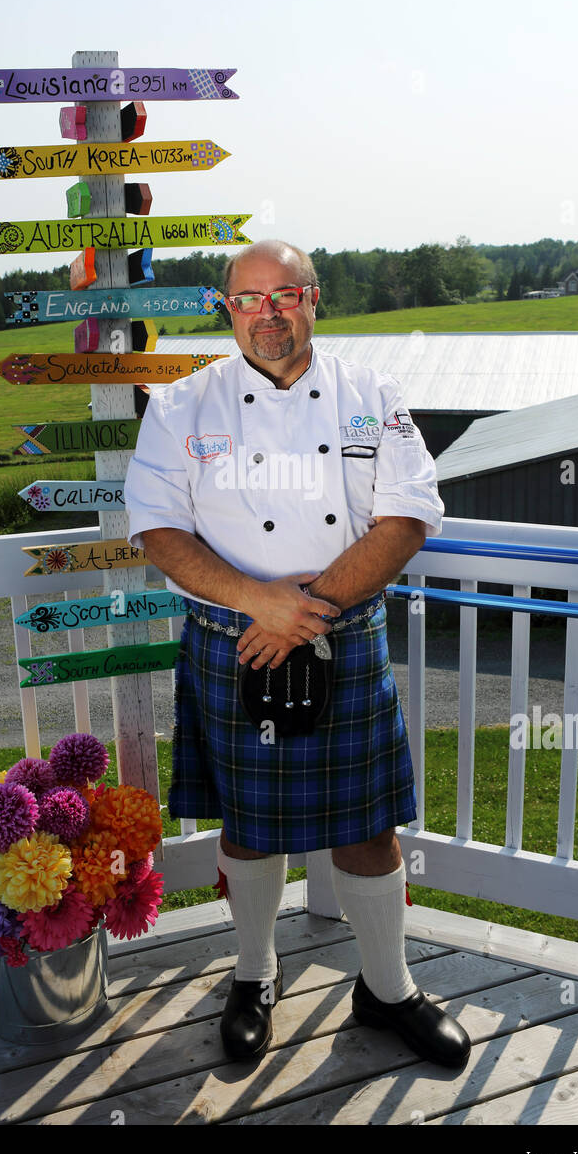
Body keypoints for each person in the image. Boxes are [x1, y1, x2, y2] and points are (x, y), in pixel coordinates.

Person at [123, 239, 471, 1069]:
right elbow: (157, 526)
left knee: (367, 828)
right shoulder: (183, 406)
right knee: (249, 825)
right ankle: (253, 974)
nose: (268, 312)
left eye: (285, 294)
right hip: (234, 640)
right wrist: (263, 604)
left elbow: (409, 515)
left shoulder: (369, 395)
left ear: (315, 298)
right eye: (249, 298)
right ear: (226, 307)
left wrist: (301, 613)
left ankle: (387, 989)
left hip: (341, 640)